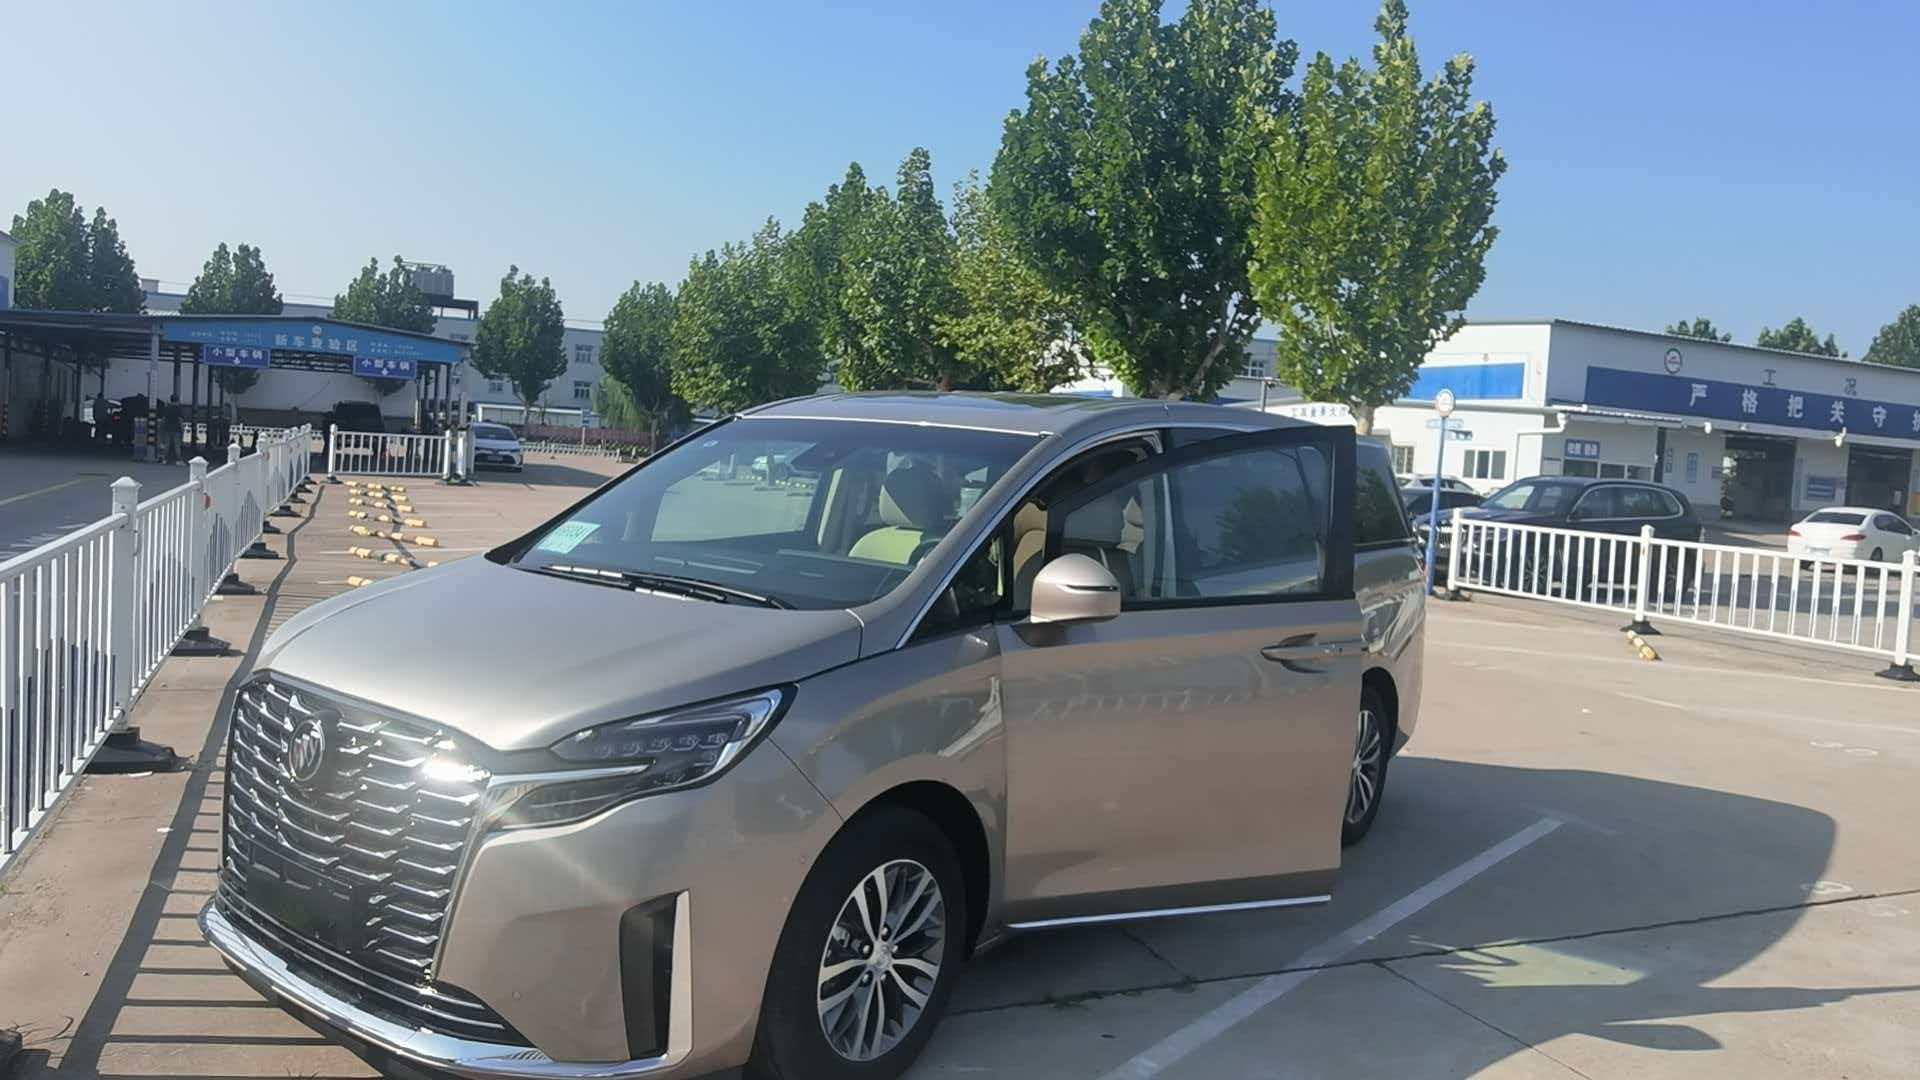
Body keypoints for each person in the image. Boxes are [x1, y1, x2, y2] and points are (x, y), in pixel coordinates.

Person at [161, 394, 185, 464]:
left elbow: (163, 419)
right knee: (177, 445)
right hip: (176, 429)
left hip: (167, 429)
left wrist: (162, 427)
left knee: (167, 445)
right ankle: (179, 460)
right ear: (177, 400)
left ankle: (164, 459)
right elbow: (180, 420)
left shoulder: (167, 408)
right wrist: (182, 429)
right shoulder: (179, 409)